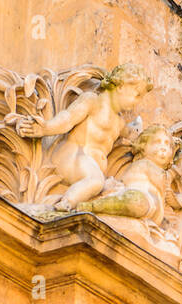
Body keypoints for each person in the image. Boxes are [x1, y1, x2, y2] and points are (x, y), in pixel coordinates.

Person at [8, 63, 152, 211]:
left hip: (89, 169)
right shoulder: (93, 101)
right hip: (71, 157)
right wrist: (45, 128)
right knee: (96, 181)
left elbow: (130, 134)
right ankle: (64, 205)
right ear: (121, 85)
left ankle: (78, 199)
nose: (137, 102)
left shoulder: (119, 122)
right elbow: (68, 119)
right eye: (137, 94)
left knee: (113, 189)